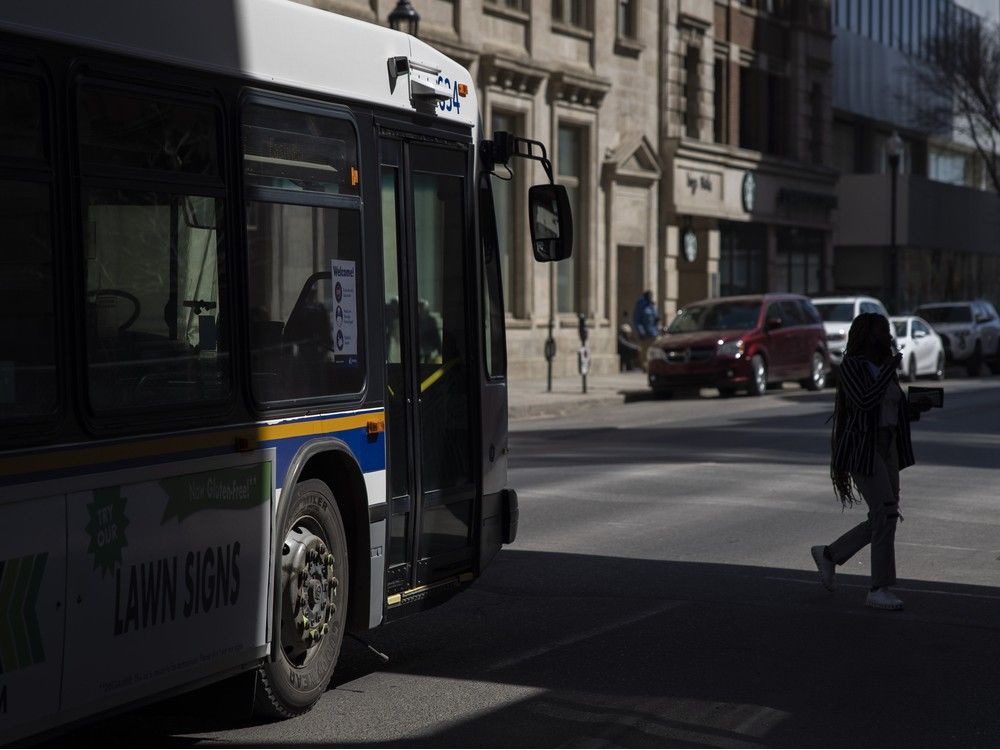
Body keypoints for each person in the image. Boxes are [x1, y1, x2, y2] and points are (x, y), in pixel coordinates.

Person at [810, 312, 929, 610]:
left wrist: (915, 406)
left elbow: (892, 407)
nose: (887, 336)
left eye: (887, 331)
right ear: (866, 335)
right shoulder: (852, 366)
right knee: (886, 514)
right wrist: (889, 368)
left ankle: (830, 554)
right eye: (881, 331)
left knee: (883, 516)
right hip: (863, 446)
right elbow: (863, 401)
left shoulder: (885, 368)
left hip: (888, 446)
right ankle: (879, 588)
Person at [633, 291, 659, 369]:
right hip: (645, 333)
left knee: (654, 350)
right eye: (650, 296)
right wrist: (641, 331)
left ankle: (653, 365)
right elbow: (637, 320)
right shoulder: (641, 305)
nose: (651, 297)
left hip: (654, 332)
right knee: (644, 351)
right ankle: (645, 366)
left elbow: (655, 317)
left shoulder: (652, 305)